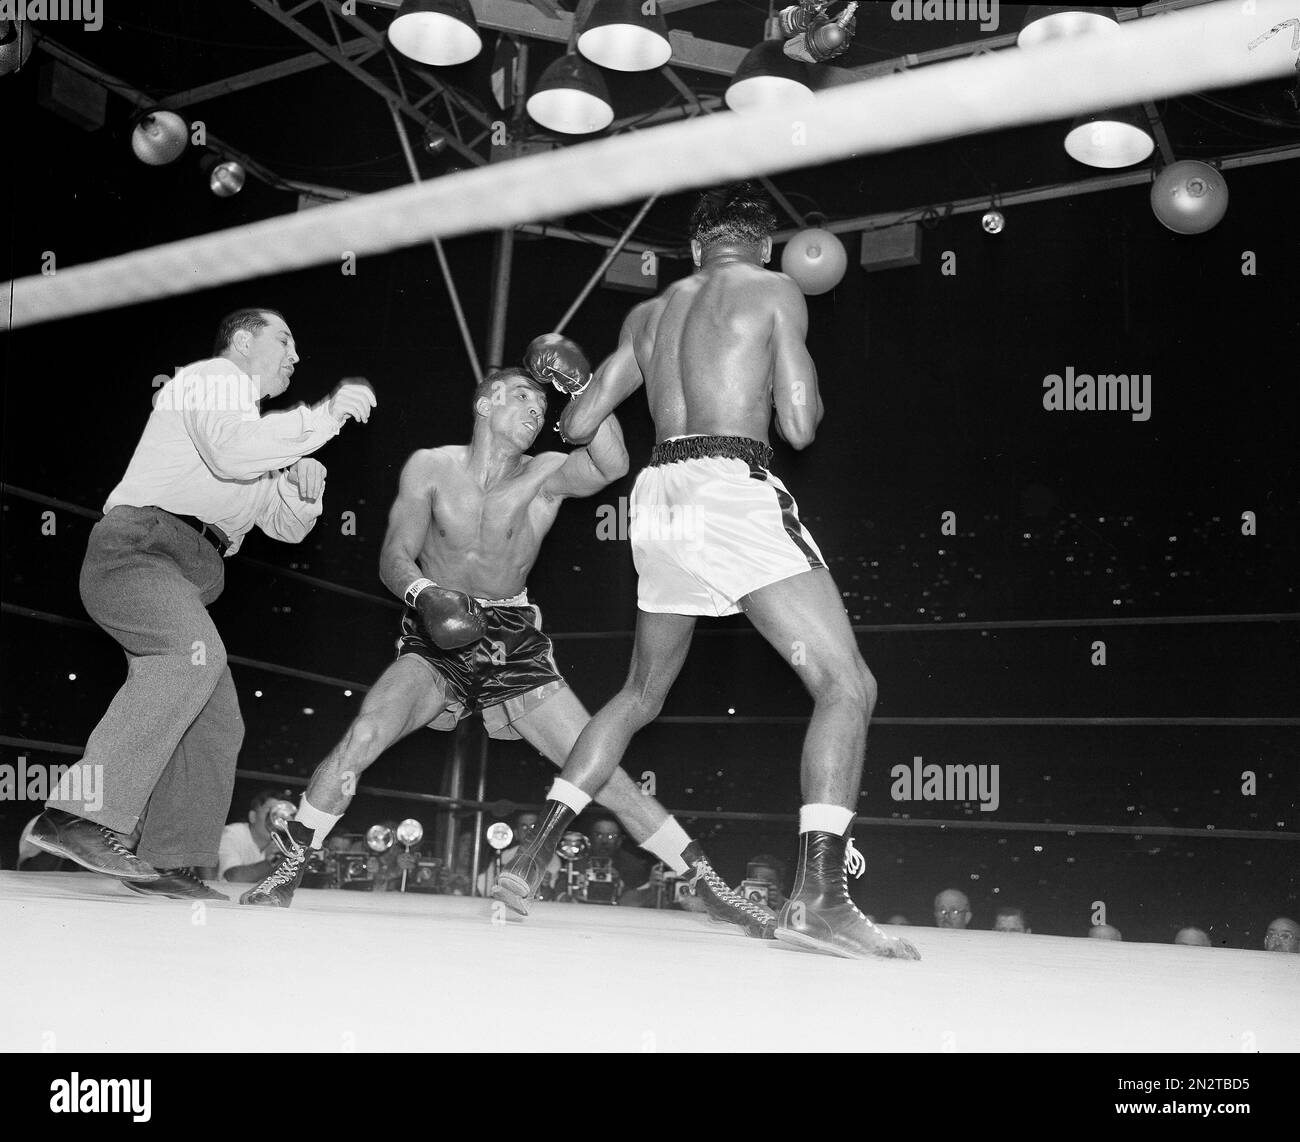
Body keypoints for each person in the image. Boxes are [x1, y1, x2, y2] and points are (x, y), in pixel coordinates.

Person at [492, 184, 919, 961]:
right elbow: (799, 422)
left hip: (658, 500)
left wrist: (581, 378)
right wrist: (793, 355)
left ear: (694, 250)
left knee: (639, 693)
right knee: (848, 685)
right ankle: (819, 899)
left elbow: (580, 424)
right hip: (729, 484)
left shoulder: (650, 313)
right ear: (763, 246)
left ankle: (532, 851)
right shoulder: (774, 289)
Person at [239, 361, 772, 937]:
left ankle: (712, 886)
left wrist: (583, 386)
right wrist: (427, 594)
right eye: (523, 398)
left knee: (605, 775)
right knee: (364, 733)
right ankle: (289, 865)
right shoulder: (430, 467)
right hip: (435, 627)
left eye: (543, 409)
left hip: (511, 640)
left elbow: (613, 463)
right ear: (485, 404)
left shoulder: (544, 472)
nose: (536, 413)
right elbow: (395, 554)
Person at [26, 308, 375, 901]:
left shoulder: (252, 432)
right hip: (141, 549)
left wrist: (300, 486)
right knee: (188, 658)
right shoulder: (213, 380)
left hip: (190, 571)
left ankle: (174, 860)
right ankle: (77, 815)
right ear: (242, 342)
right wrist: (326, 415)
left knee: (217, 721)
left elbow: (283, 527)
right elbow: (232, 455)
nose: (295, 356)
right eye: (284, 340)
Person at [217, 789, 296, 884]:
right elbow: (233, 878)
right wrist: (274, 861)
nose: (277, 819)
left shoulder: (283, 843)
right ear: (253, 816)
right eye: (271, 812)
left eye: (282, 814)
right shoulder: (232, 834)